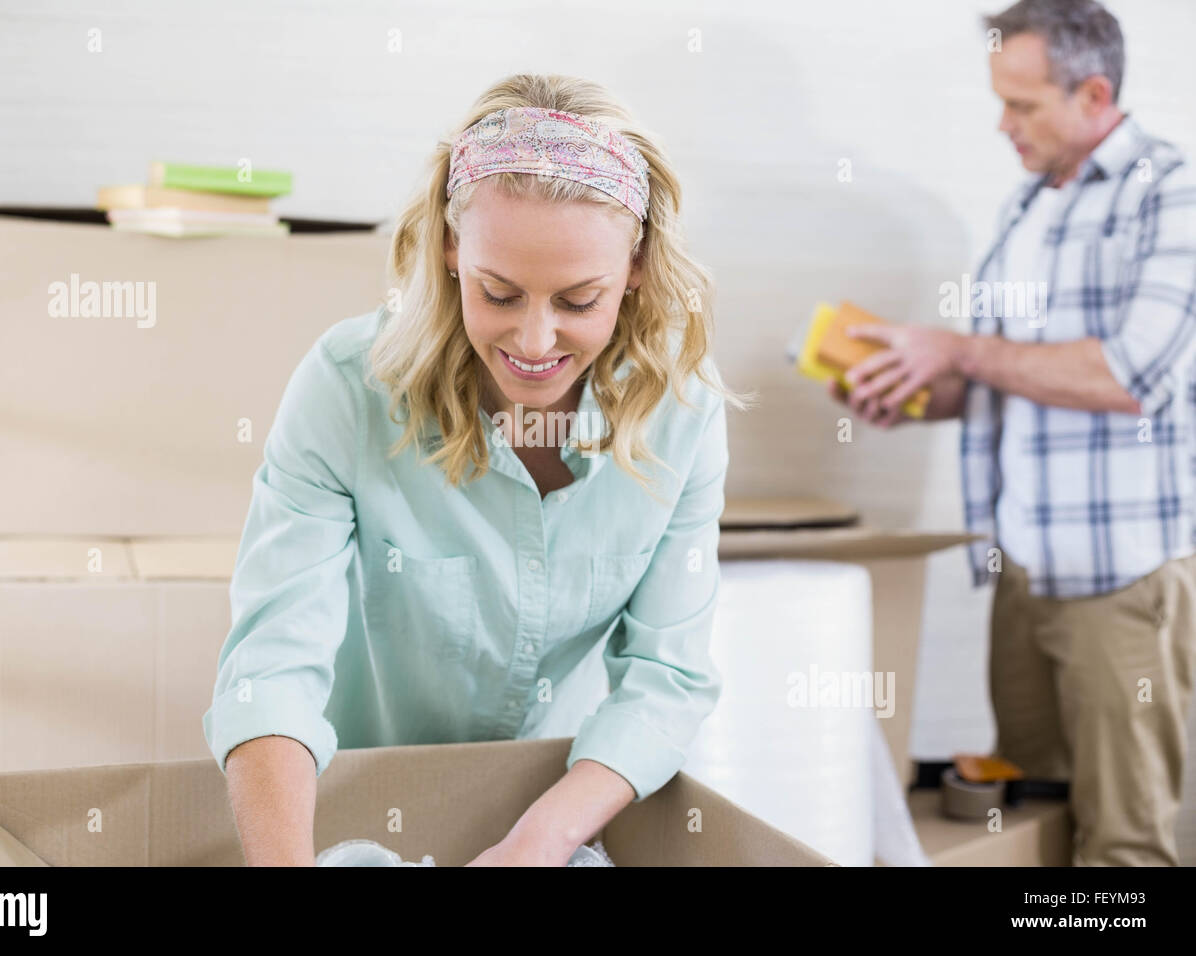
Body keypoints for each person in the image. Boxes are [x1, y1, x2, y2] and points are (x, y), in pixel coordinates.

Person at [203, 73, 748, 866]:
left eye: (577, 301)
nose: (533, 342)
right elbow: (271, 666)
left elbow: (668, 673)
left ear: (635, 266)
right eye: (499, 293)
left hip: (560, 797)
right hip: (351, 801)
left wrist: (539, 842)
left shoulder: (683, 414)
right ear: (453, 251)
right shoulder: (348, 386)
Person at [831, 0, 1196, 865]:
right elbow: (1014, 380)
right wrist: (920, 389)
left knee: (1123, 846)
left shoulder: (1171, 193)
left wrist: (951, 345)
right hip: (1021, 568)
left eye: (1022, 105)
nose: (1003, 124)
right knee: (1034, 818)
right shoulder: (1028, 206)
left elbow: (1129, 375)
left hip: (1121, 572)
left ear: (1094, 91)